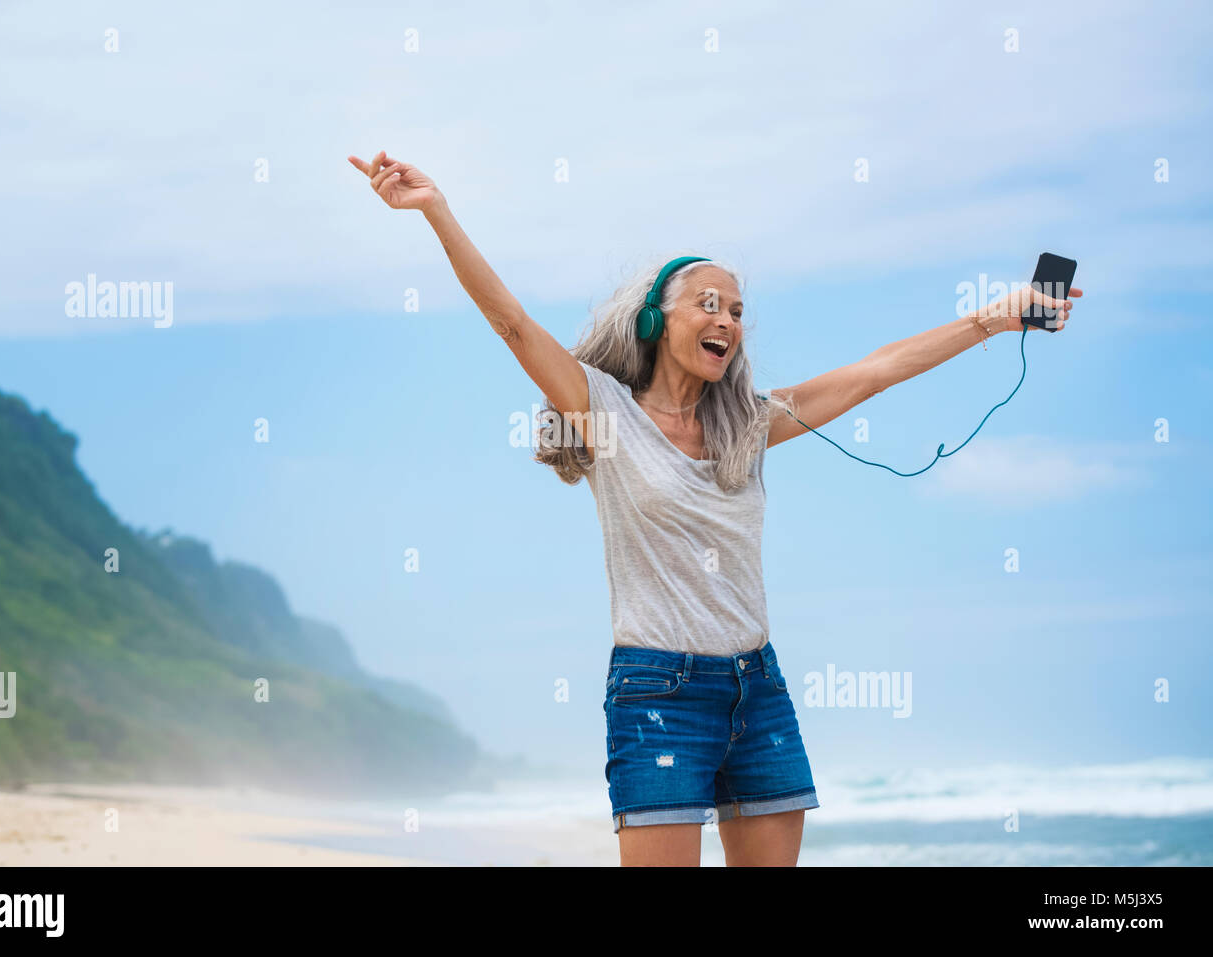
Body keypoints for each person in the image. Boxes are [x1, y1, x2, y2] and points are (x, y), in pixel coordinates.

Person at [348, 149, 1081, 866]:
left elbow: (872, 373)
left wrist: (1000, 316)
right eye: (708, 304)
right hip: (656, 690)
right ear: (655, 322)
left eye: (736, 310)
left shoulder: (749, 426)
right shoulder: (605, 415)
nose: (726, 319)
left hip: (758, 688)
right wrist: (436, 211)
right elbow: (511, 323)